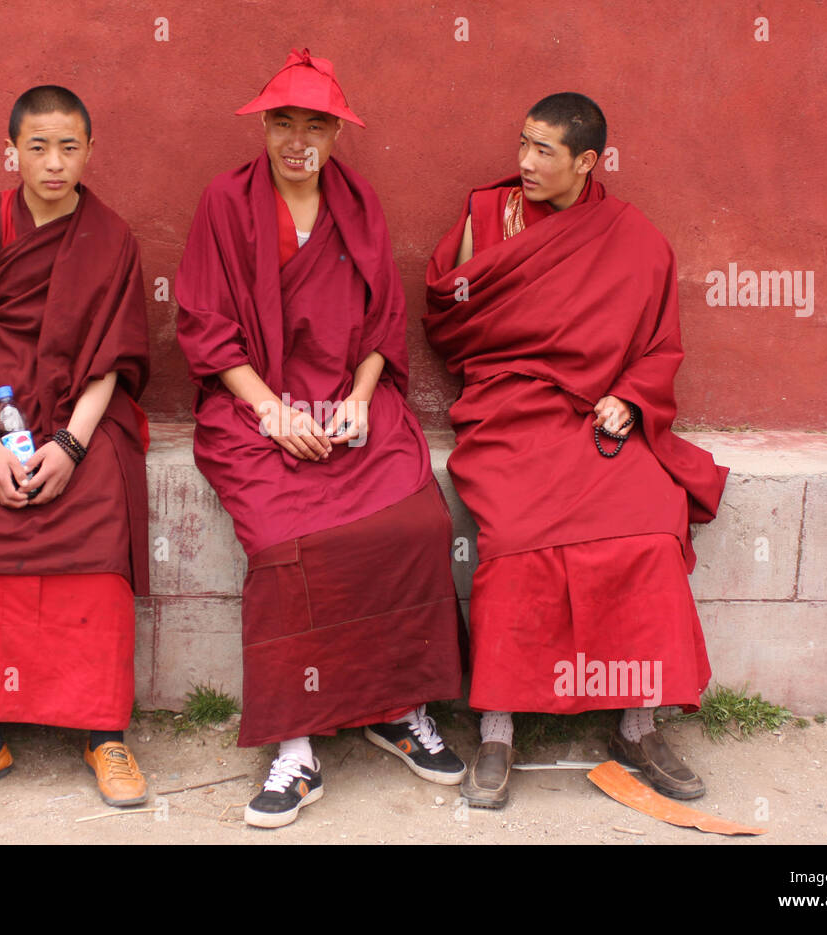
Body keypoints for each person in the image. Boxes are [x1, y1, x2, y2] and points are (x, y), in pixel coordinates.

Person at [175, 49, 466, 828]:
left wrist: (363, 399)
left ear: (337, 134)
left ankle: (398, 707)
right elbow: (204, 323)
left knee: (418, 521)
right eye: (283, 121)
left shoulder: (358, 203)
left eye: (315, 124)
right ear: (263, 126)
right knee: (283, 541)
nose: (297, 139)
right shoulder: (225, 203)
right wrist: (272, 410)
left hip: (347, 407)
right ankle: (296, 747)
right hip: (255, 409)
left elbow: (382, 322)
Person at [424, 93, 729, 808]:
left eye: (545, 151)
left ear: (587, 162)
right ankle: (497, 728)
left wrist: (632, 394)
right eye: (522, 144)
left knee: (650, 526)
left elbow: (658, 347)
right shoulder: (484, 217)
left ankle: (638, 723)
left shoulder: (635, 239)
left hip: (597, 415)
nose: (525, 162)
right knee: (517, 536)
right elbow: (450, 318)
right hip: (511, 410)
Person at [0, 85, 152, 809]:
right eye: (37, 147)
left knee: (97, 521)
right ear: (11, 150)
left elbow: (112, 361)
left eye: (69, 147)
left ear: (90, 151)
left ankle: (103, 730)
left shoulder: (113, 238)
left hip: (80, 414)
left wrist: (73, 444)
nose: (53, 162)